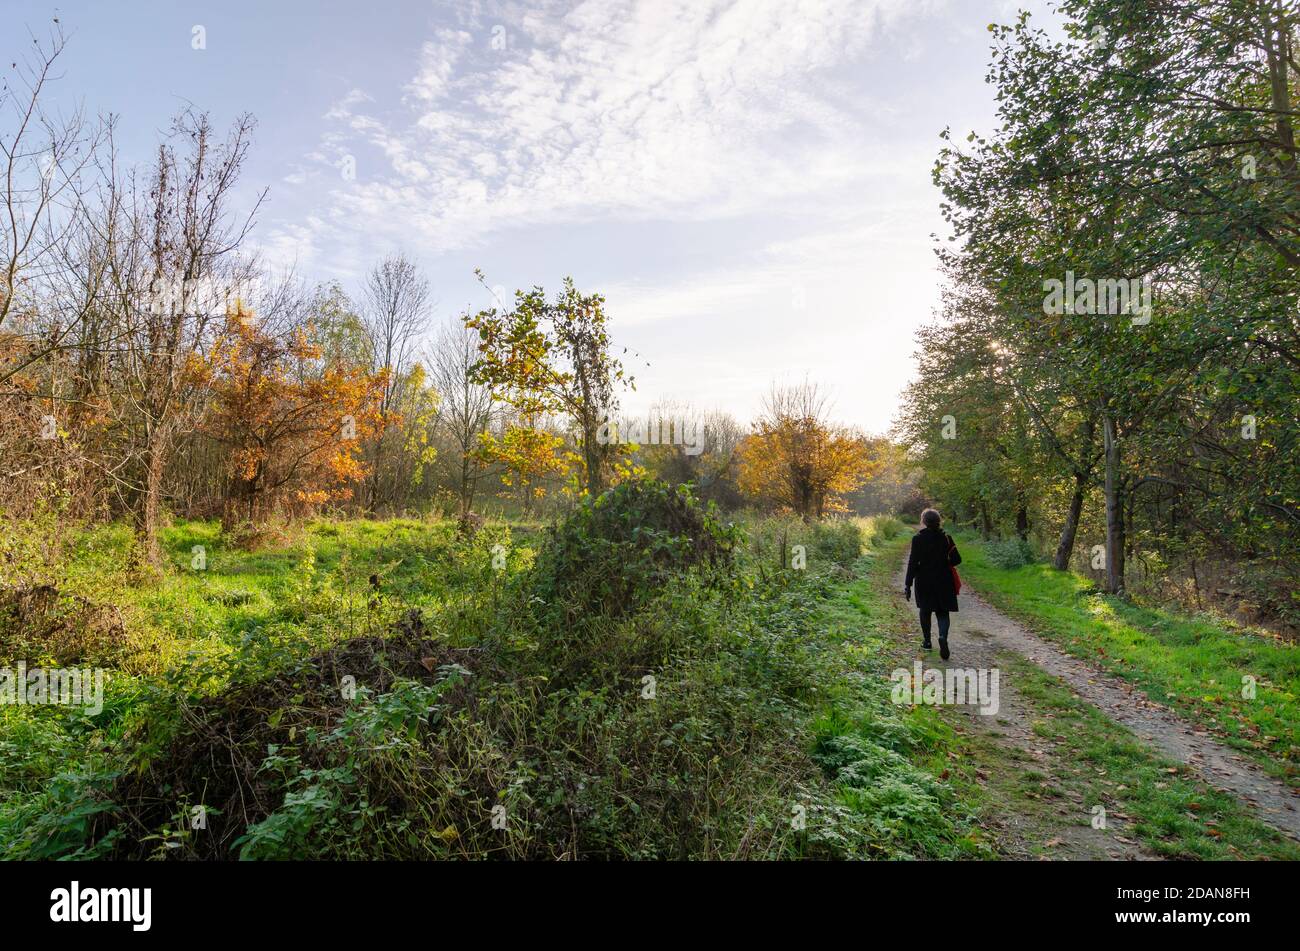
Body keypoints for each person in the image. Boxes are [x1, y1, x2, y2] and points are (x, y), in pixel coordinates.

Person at [904, 508, 961, 659]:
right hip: (944, 579)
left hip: (924, 580)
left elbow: (912, 563)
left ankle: (927, 641)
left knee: (925, 610)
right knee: (942, 611)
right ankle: (942, 636)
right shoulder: (947, 538)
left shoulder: (918, 539)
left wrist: (908, 584)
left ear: (923, 521)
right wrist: (945, 561)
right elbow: (957, 560)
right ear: (938, 521)